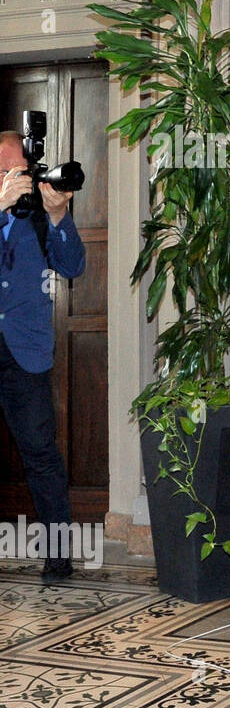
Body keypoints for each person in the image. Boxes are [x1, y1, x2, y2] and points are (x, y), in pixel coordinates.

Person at [0, 130, 86, 582]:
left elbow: (72, 266)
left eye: (22, 169)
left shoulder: (39, 213)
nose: (17, 178)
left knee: (41, 454)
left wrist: (59, 217)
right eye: (4, 171)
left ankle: (58, 557)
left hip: (25, 352)